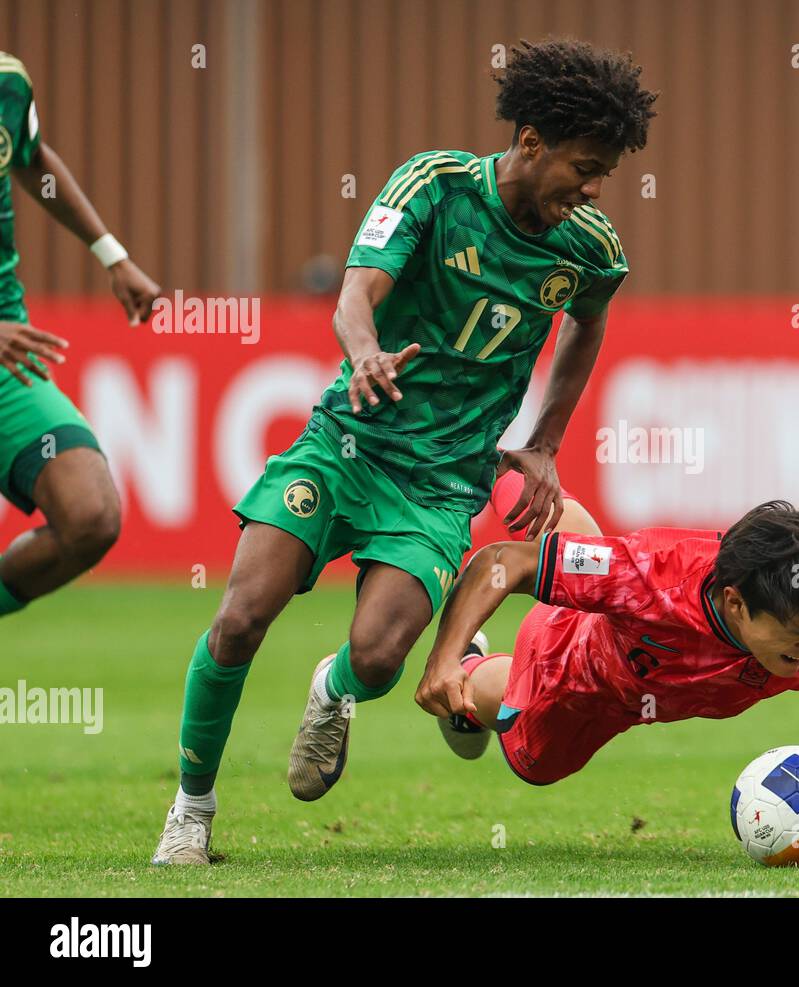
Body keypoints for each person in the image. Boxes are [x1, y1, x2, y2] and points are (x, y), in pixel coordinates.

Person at [152, 38, 658, 866]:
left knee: (382, 658)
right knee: (241, 617)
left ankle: (335, 689)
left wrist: (544, 443)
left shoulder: (588, 247)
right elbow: (357, 292)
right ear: (531, 143)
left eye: (605, 171)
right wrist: (364, 352)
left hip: (440, 482)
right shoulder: (435, 185)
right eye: (584, 166)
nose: (595, 188)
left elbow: (589, 319)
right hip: (346, 444)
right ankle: (191, 809)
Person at [416, 494, 799, 870]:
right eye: (794, 634)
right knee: (534, 763)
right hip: (575, 667)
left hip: (641, 680)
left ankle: (570, 531)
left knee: (588, 559)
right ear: (736, 603)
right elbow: (500, 562)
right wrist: (441, 661)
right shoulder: (654, 574)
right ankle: (471, 669)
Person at [0, 51, 160, 619]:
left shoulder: (9, 83)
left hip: (6, 357)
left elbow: (33, 158)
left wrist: (112, 254)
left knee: (90, 515)